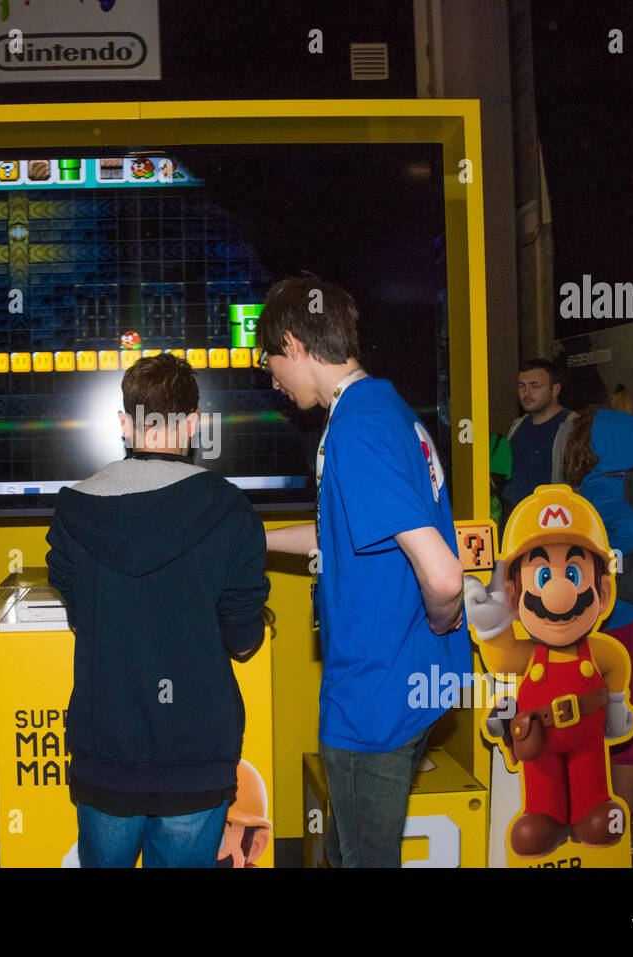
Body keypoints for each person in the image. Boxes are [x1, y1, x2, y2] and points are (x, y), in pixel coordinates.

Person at [258, 274, 465, 868]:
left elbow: (444, 576)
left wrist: (442, 616)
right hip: (406, 682)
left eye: (273, 360)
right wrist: (258, 540)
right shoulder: (385, 407)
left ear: (295, 344)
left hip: (373, 694)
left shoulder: (355, 430)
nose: (272, 377)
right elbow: (345, 535)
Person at [45, 353, 270, 868]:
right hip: (196, 753)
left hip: (107, 750)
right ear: (192, 424)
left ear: (124, 424)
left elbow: (79, 614)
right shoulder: (232, 511)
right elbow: (242, 638)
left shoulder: (74, 509)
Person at [563, 404, 633, 851]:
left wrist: (596, 568)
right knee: (625, 721)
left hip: (605, 625)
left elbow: (631, 529)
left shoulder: (598, 487)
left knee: (598, 724)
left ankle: (610, 821)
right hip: (632, 617)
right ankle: (626, 823)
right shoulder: (630, 484)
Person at [502, 359, 577, 515]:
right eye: (522, 386)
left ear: (555, 390)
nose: (526, 393)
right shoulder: (517, 425)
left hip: (550, 520)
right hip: (514, 520)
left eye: (535, 386)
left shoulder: (572, 426)